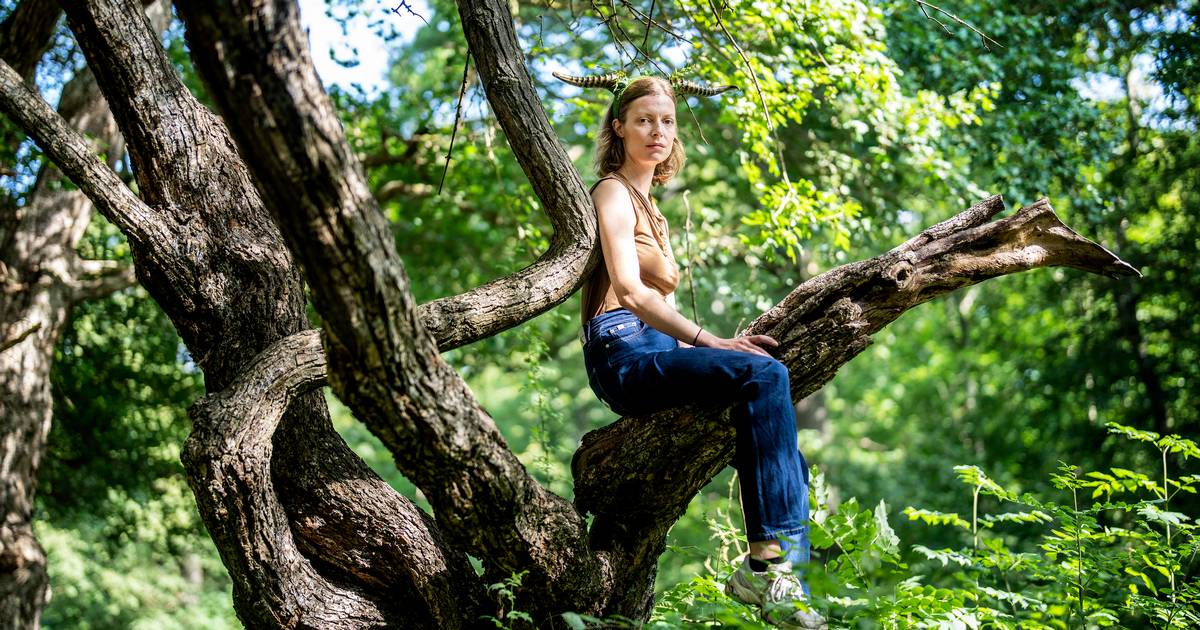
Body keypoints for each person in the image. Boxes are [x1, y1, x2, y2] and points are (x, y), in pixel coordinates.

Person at [558, 71, 827, 630]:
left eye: (666, 120)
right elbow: (630, 294)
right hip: (620, 354)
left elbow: (661, 313)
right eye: (643, 120)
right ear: (619, 128)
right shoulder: (611, 191)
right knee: (765, 376)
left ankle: (779, 570)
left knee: (771, 408)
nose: (657, 130)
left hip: (655, 346)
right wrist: (714, 342)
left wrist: (719, 352)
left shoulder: (648, 202)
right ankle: (771, 568)